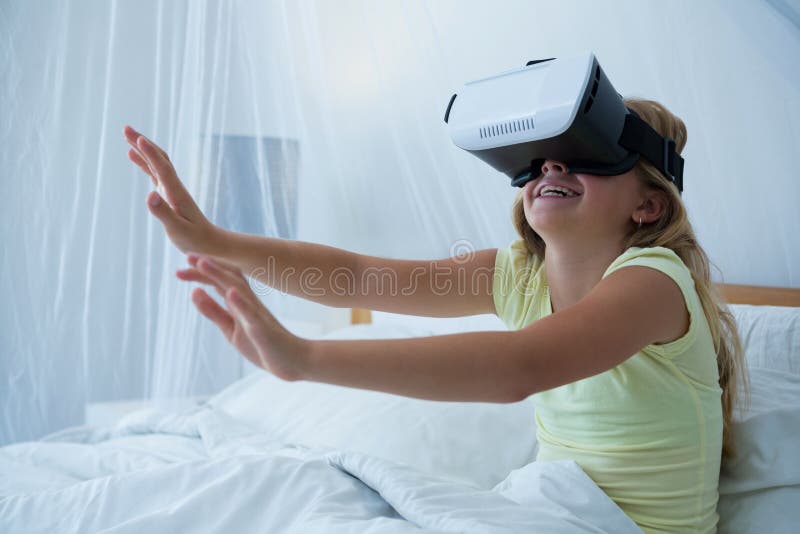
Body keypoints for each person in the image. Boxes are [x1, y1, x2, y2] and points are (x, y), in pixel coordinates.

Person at [123, 97, 748, 533]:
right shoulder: (516, 274)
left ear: (648, 208)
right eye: (543, 155)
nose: (553, 165)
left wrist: (305, 358)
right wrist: (215, 242)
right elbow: (360, 277)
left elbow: (518, 366)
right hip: (552, 510)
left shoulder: (654, 283)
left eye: (588, 153)